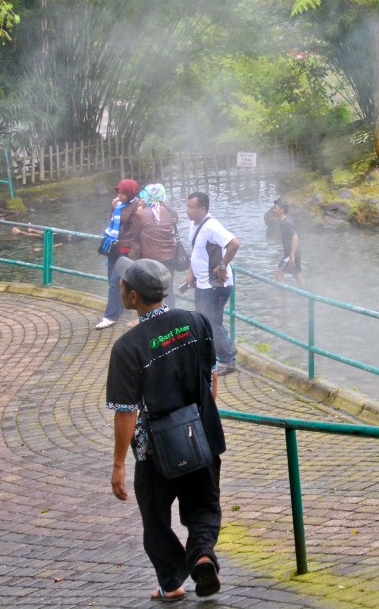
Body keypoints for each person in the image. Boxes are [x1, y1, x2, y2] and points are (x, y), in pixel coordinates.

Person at [105, 256, 225, 601]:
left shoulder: (128, 347)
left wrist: (117, 464)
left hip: (155, 450)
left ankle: (171, 583)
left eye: (123, 284)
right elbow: (211, 373)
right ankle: (203, 555)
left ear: (131, 297)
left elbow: (126, 413)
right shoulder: (196, 321)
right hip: (201, 437)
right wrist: (206, 419)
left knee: (156, 519)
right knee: (203, 506)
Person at [185, 192, 240, 377]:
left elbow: (234, 243)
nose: (188, 210)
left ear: (203, 208)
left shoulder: (212, 226)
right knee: (208, 319)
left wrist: (222, 266)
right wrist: (191, 271)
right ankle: (228, 347)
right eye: (187, 206)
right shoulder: (193, 224)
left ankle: (227, 361)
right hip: (202, 282)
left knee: (210, 321)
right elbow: (197, 250)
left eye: (191, 207)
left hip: (215, 284)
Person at [125, 184, 182, 309]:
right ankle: (170, 318)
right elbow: (174, 222)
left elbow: (133, 234)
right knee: (168, 290)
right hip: (170, 258)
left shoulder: (141, 214)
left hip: (151, 260)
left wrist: (140, 208)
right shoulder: (171, 211)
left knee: (150, 292)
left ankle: (154, 319)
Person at [96, 179, 141, 330]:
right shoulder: (117, 204)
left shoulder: (137, 206)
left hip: (126, 248)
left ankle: (110, 316)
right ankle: (120, 308)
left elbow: (135, 227)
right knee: (111, 280)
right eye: (119, 192)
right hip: (113, 246)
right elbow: (112, 221)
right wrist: (114, 205)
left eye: (123, 193)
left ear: (131, 193)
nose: (120, 196)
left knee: (116, 281)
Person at [271, 198, 304, 287]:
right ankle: (304, 297)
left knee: (279, 274)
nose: (273, 210)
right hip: (294, 253)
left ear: (282, 210)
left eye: (275, 208)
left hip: (291, 254)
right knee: (296, 274)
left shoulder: (286, 223)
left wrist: (291, 255)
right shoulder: (283, 221)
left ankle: (283, 299)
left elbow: (295, 237)